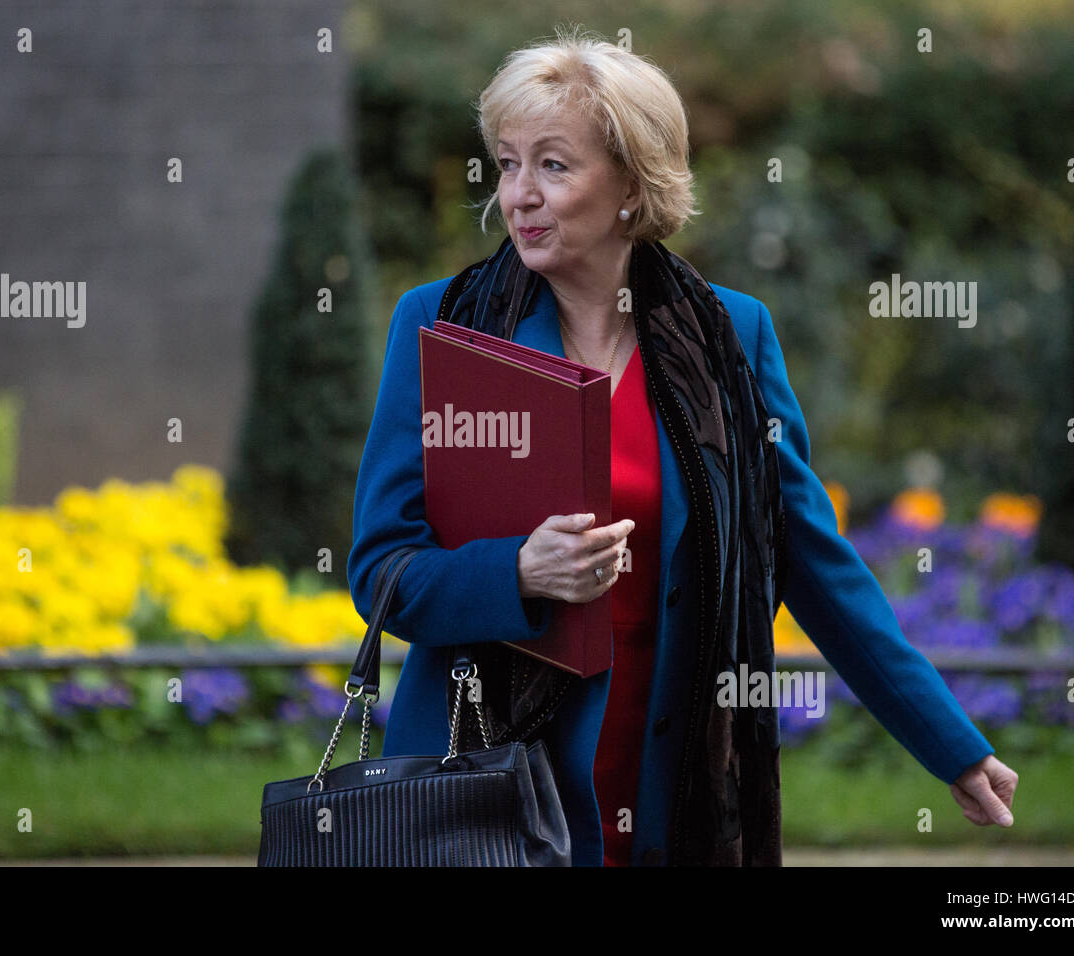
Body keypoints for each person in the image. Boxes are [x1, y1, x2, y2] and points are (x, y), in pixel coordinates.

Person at [346, 25, 1018, 866]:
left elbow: (811, 559)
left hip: (675, 778)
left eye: (554, 165)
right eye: (508, 162)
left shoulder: (734, 336)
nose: (519, 193)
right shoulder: (439, 326)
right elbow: (381, 573)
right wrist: (516, 572)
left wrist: (949, 742)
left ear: (631, 183)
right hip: (486, 788)